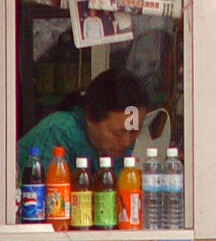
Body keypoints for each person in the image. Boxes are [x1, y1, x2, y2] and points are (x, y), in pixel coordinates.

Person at [17, 68, 149, 177]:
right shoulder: (59, 132)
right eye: (118, 132)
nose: (127, 141)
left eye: (135, 131)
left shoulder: (121, 145)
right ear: (90, 117)